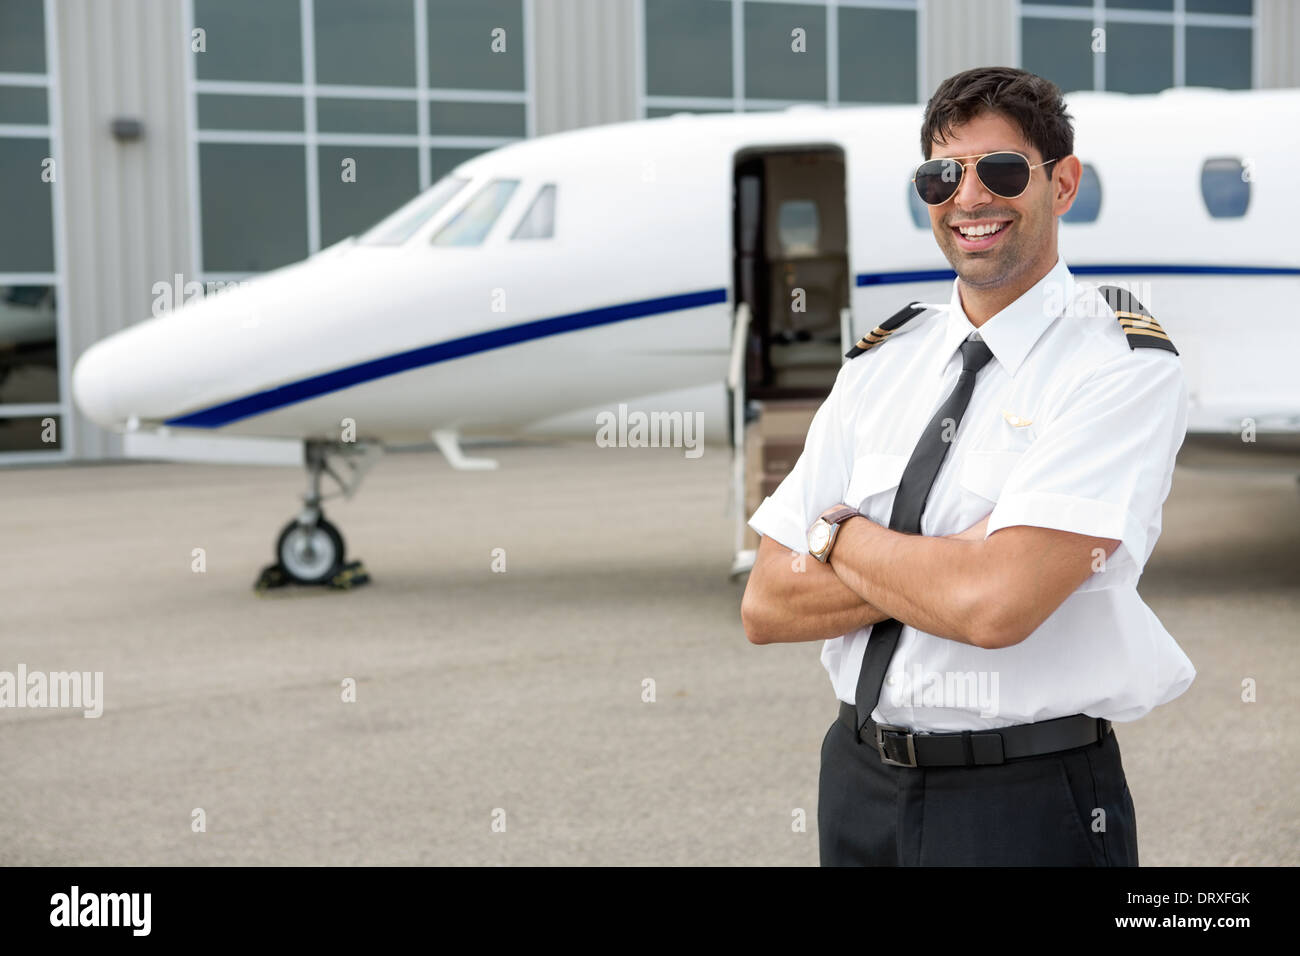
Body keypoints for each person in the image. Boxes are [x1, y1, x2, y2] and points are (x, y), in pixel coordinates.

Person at [740, 66, 1195, 866]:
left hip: (1023, 802)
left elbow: (996, 606)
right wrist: (951, 557)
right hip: (856, 780)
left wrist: (836, 533)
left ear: (1064, 183)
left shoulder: (1119, 364)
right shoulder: (882, 362)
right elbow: (768, 603)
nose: (970, 197)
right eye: (942, 175)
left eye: (1003, 170)